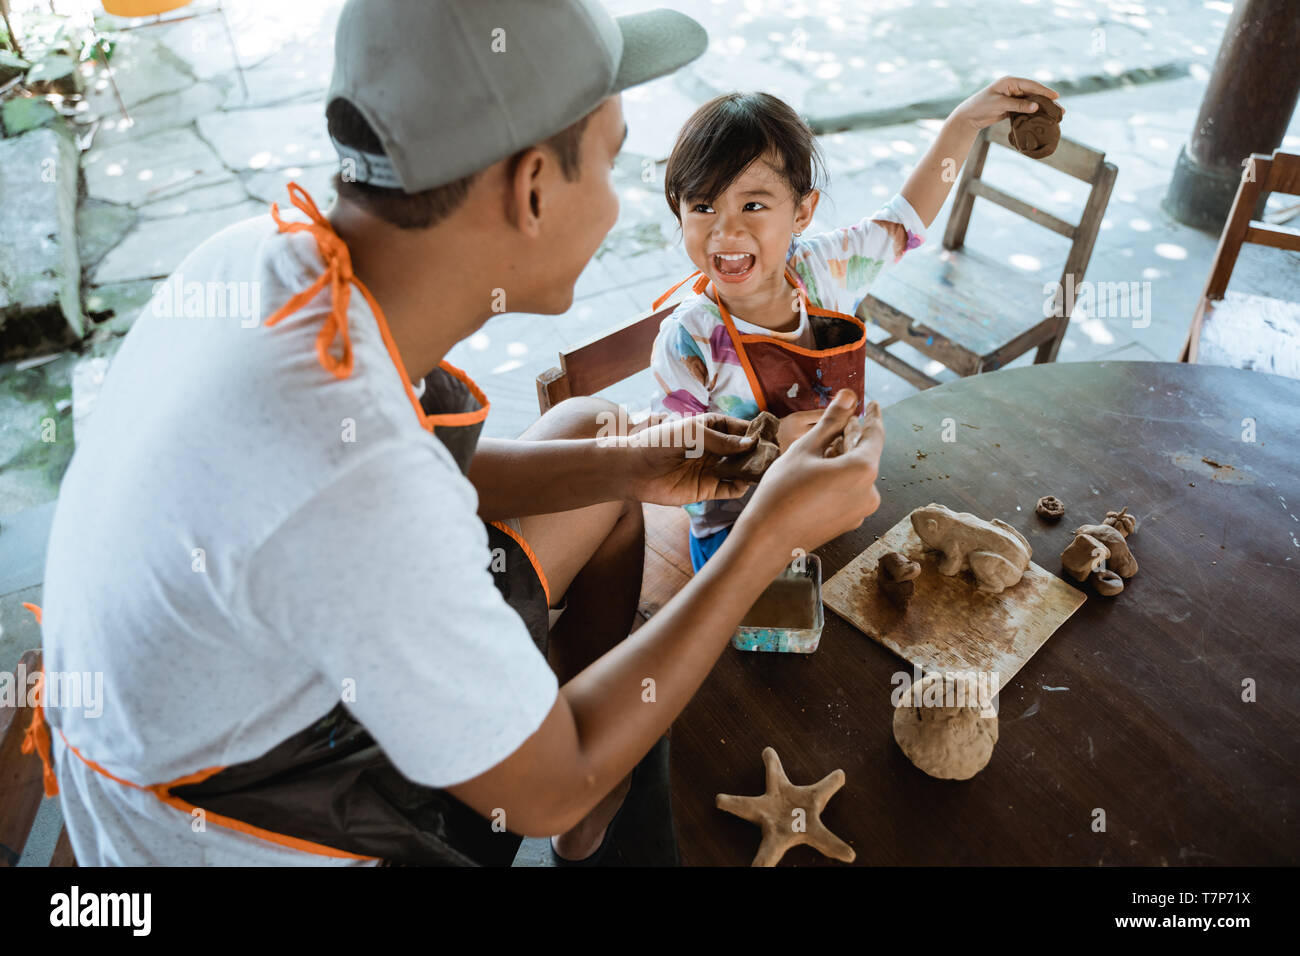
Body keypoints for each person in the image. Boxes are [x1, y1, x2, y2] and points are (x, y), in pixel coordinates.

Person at [29, 0, 884, 867]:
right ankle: (576, 778)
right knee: (561, 774)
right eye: (616, 162)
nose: (634, 205)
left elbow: (417, 463)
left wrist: (630, 460)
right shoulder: (348, 489)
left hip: (242, 669)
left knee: (595, 438)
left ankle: (589, 796)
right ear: (533, 190)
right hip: (265, 816)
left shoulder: (263, 252)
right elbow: (541, 778)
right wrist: (769, 529)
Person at [647, 84, 1063, 571]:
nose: (726, 230)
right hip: (738, 536)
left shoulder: (825, 269)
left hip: (842, 499)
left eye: (753, 205)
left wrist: (963, 124)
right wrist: (771, 444)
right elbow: (675, 469)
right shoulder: (687, 342)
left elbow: (905, 221)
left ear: (802, 211)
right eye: (703, 206)